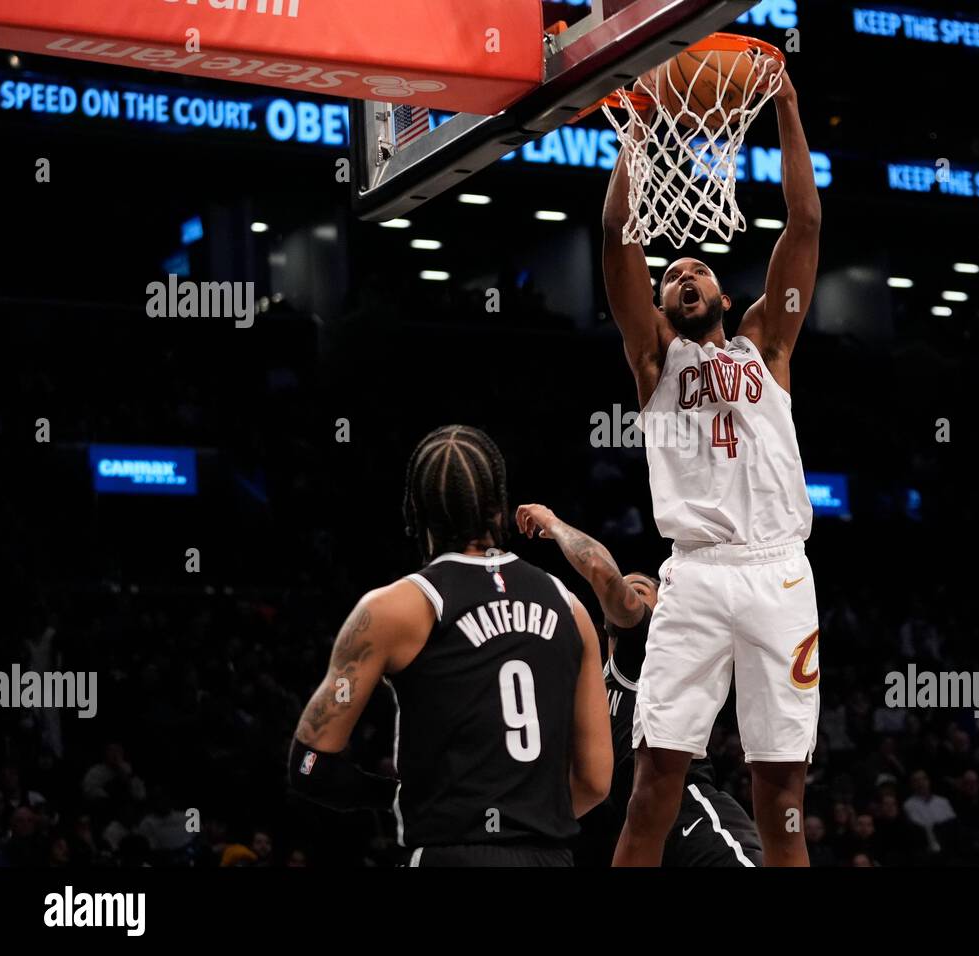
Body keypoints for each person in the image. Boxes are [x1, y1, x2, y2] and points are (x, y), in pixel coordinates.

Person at [601, 58, 822, 868]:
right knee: (655, 780)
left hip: (779, 574)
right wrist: (638, 132)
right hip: (693, 575)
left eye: (696, 269)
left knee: (782, 792)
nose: (682, 275)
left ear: (726, 296)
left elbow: (803, 225)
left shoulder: (769, 344)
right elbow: (615, 240)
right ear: (658, 309)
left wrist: (787, 106)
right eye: (669, 277)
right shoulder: (654, 361)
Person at [288, 425, 612, 866]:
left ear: (414, 511)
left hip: (449, 853)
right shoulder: (569, 607)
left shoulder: (395, 608)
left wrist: (397, 798)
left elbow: (309, 766)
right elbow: (595, 781)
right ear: (499, 505)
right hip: (547, 856)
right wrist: (527, 819)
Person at [516, 503, 762, 866]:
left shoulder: (649, 649)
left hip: (690, 817)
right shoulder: (592, 685)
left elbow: (601, 572)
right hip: (636, 834)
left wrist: (553, 523)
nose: (630, 596)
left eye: (642, 591)